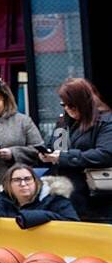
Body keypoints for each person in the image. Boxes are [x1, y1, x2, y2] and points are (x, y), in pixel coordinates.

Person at [39, 78, 112, 224]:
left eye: (71, 105)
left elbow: (105, 154)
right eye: (63, 104)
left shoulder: (105, 121)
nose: (67, 109)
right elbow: (57, 148)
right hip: (65, 192)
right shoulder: (64, 121)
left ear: (83, 102)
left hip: (94, 195)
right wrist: (47, 155)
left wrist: (62, 157)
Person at [0, 164, 78, 228]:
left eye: (27, 179)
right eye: (17, 180)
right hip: (9, 252)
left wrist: (39, 216)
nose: (23, 184)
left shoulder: (55, 198)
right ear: (8, 185)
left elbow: (74, 224)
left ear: (36, 182)